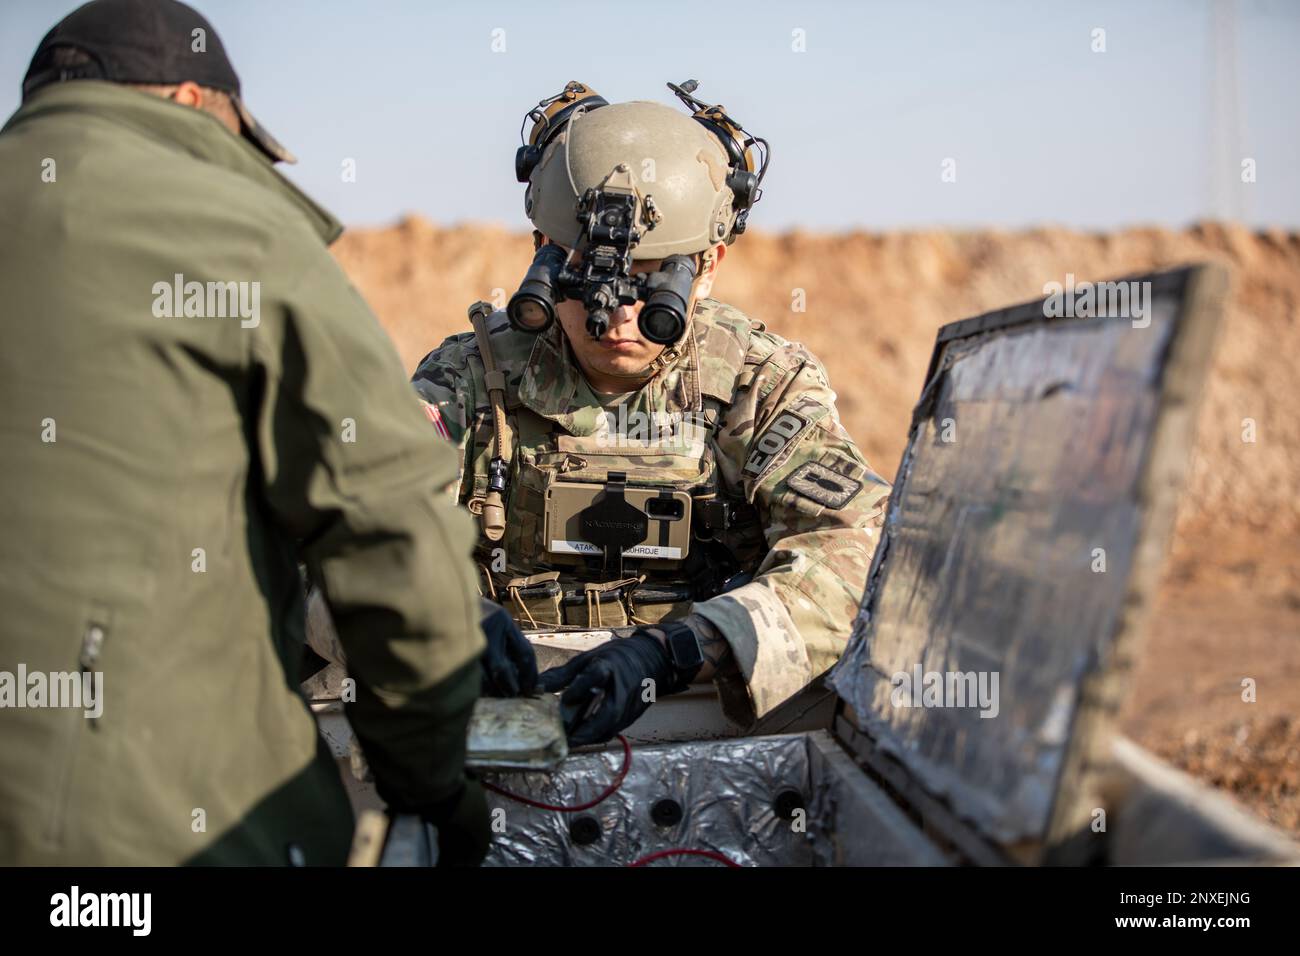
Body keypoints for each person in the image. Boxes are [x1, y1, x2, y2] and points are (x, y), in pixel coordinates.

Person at [0, 0, 497, 865]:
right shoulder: (239, 233)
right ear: (195, 102)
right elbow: (392, 539)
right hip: (147, 828)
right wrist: (435, 792)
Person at [411, 81, 891, 745]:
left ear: (711, 264)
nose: (618, 312)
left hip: (700, 708)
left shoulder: (760, 383)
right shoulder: (469, 379)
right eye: (587, 275)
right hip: (500, 712)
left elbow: (857, 551)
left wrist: (679, 650)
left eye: (656, 277)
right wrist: (445, 622)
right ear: (543, 255)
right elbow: (352, 530)